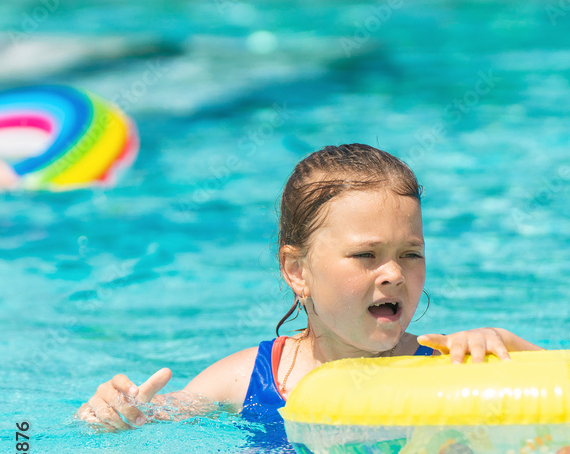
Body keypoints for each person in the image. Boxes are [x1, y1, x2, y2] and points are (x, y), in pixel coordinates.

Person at [77, 143, 543, 436]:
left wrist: (510, 347)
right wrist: (114, 414)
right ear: (297, 270)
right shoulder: (249, 381)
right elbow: (150, 417)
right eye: (366, 255)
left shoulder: (450, 366)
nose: (394, 274)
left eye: (410, 254)